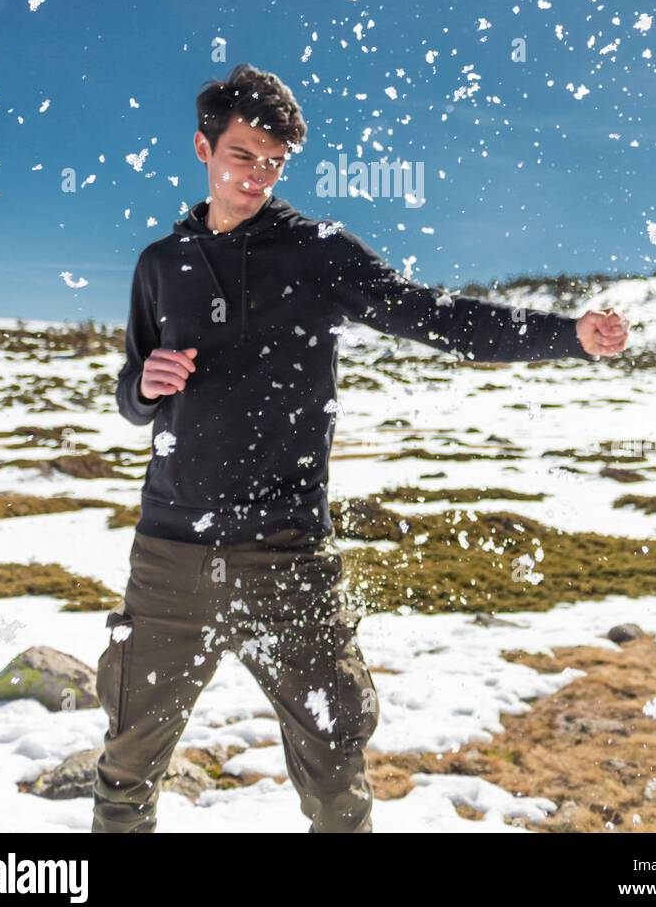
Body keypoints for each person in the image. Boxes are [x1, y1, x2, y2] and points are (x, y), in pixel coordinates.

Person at [91, 63, 629, 834]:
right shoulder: (161, 264)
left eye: (274, 161)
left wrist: (568, 337)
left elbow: (437, 318)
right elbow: (131, 396)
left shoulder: (319, 253)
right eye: (243, 155)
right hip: (171, 556)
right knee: (126, 769)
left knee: (337, 773)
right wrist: (146, 387)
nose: (258, 176)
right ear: (202, 149)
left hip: (288, 555)